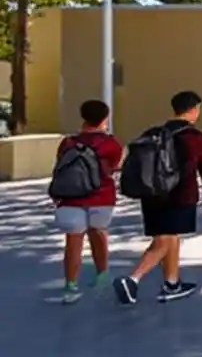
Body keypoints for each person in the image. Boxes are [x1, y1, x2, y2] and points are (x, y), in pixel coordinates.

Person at [114, 91, 202, 305]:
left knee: (170, 237)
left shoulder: (153, 133)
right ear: (194, 110)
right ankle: (133, 280)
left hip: (152, 194)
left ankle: (172, 284)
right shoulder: (195, 138)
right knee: (164, 241)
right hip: (180, 195)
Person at [49, 99, 124, 304]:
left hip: (70, 197)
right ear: (105, 118)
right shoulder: (111, 143)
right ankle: (102, 274)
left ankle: (71, 285)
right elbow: (114, 166)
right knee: (98, 232)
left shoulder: (68, 142)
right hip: (101, 196)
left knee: (73, 241)